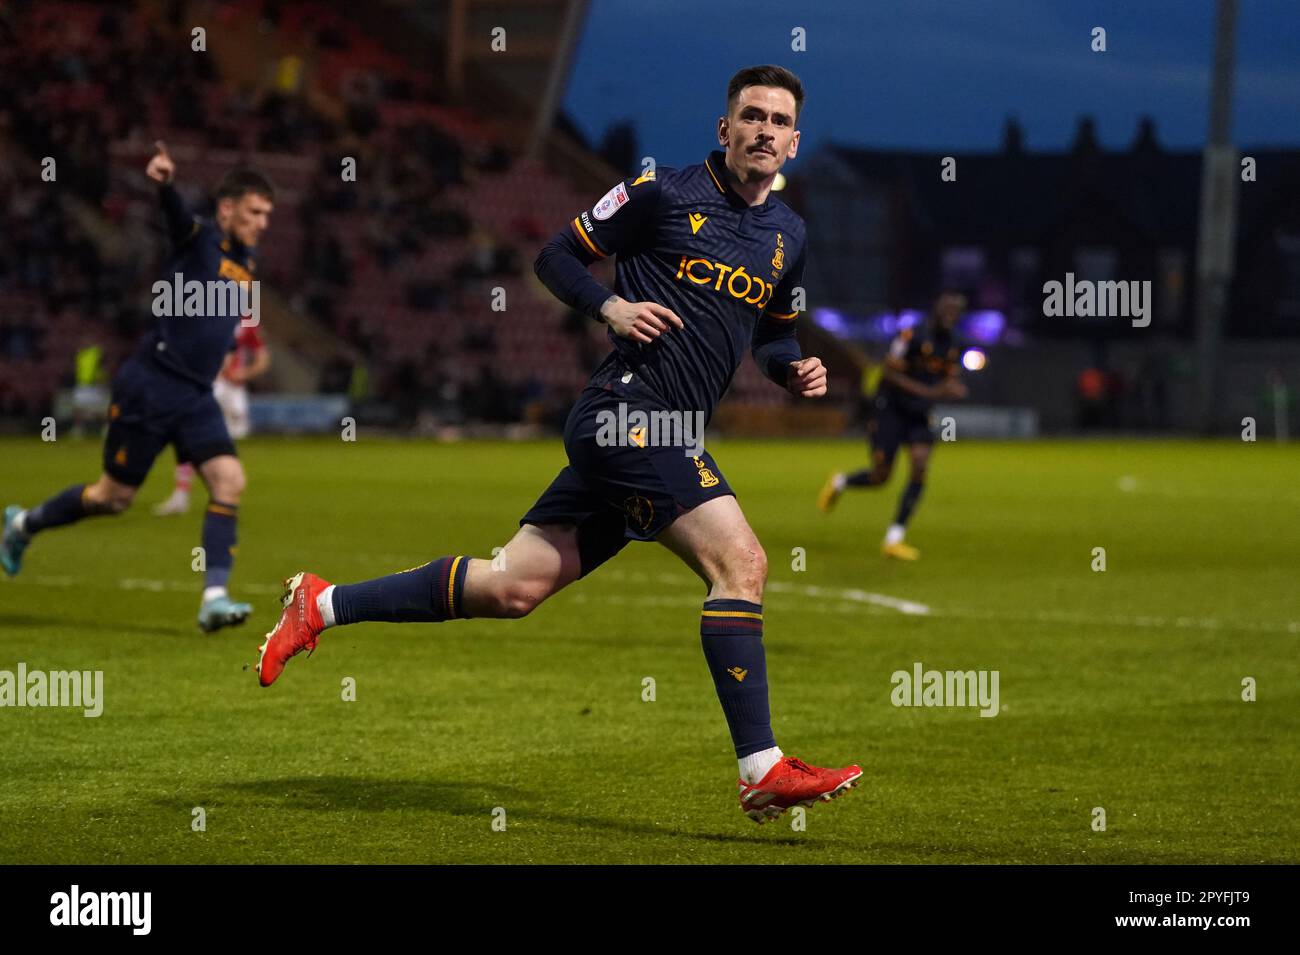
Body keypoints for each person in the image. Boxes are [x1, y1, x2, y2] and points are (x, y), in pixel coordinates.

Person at [256, 65, 861, 824]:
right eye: (752, 116)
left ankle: (322, 603)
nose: (765, 130)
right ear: (724, 128)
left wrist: (792, 367)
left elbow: (774, 334)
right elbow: (554, 255)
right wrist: (611, 305)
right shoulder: (660, 193)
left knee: (513, 586)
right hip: (625, 413)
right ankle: (761, 768)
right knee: (741, 562)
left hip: (661, 430)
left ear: (795, 142)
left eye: (779, 121)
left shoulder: (788, 236)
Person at [3, 143, 272, 632]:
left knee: (230, 480)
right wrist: (165, 186)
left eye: (267, 214)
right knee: (113, 497)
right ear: (228, 208)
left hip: (195, 396)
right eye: (255, 212)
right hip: (151, 384)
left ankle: (213, 597)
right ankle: (23, 525)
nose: (263, 222)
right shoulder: (199, 239)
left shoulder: (246, 259)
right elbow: (176, 220)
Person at [818, 291, 970, 559]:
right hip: (890, 409)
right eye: (947, 309)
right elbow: (889, 371)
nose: (951, 315)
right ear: (936, 308)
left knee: (920, 466)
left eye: (956, 311)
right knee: (881, 476)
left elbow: (948, 378)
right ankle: (841, 482)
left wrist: (953, 389)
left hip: (920, 414)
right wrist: (927, 392)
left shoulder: (955, 343)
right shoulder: (912, 334)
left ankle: (894, 538)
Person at [154, 322, 271, 516]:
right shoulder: (204, 315)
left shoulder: (247, 323)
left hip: (234, 391)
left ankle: (226, 493)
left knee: (235, 441)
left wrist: (244, 373)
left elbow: (263, 357)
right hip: (209, 384)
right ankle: (182, 493)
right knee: (190, 438)